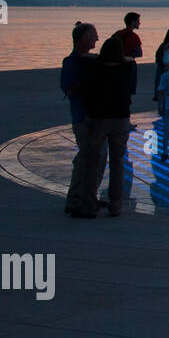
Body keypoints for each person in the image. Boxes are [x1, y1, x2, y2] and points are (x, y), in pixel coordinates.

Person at [75, 36, 136, 217]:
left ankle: (89, 204)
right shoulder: (128, 68)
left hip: (99, 119)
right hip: (121, 119)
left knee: (91, 163)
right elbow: (130, 63)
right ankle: (116, 204)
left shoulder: (94, 67)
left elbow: (87, 60)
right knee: (117, 163)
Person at [62, 22, 106, 215]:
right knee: (88, 158)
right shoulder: (72, 63)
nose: (97, 38)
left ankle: (84, 196)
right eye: (93, 35)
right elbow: (69, 88)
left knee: (92, 157)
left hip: (93, 116)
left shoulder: (91, 61)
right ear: (83, 39)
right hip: (83, 117)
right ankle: (79, 199)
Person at [113, 11, 142, 96]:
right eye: (138, 21)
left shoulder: (118, 33)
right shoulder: (134, 37)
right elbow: (139, 53)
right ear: (133, 22)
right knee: (128, 90)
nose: (139, 23)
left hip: (117, 64)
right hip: (129, 64)